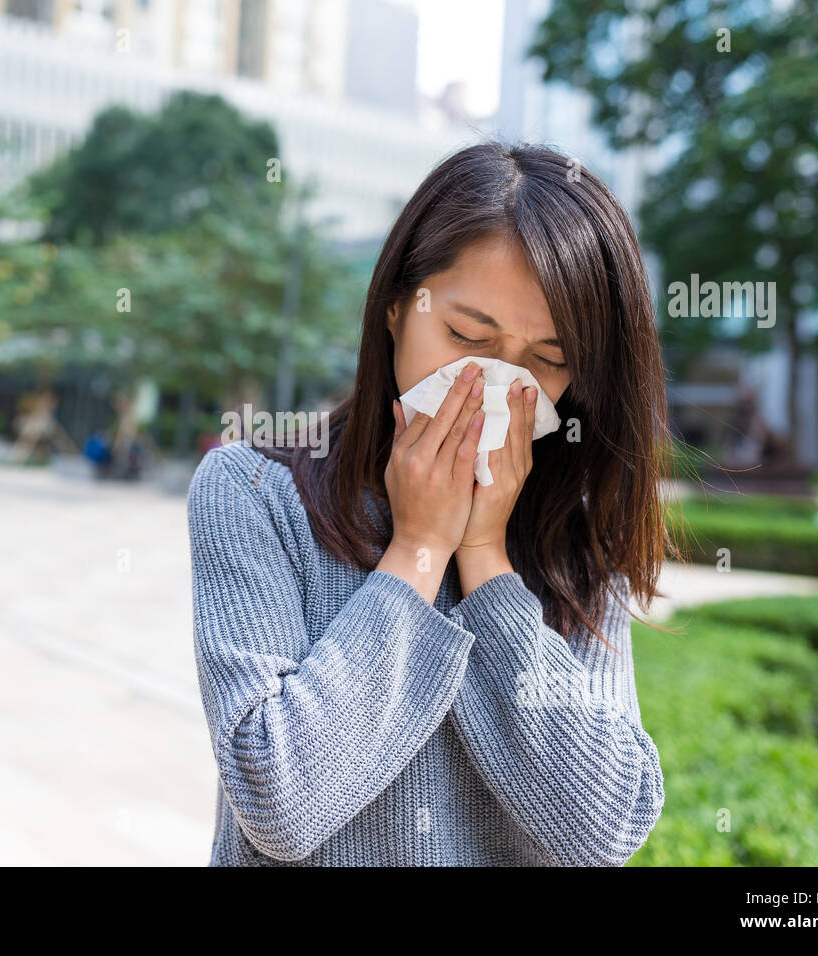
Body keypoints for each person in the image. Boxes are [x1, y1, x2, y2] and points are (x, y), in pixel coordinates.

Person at [187, 141, 674, 866]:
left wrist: (484, 559)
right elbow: (279, 803)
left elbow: (603, 831)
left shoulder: (576, 539)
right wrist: (417, 551)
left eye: (546, 359)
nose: (494, 383)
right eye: (467, 336)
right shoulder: (255, 493)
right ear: (394, 306)